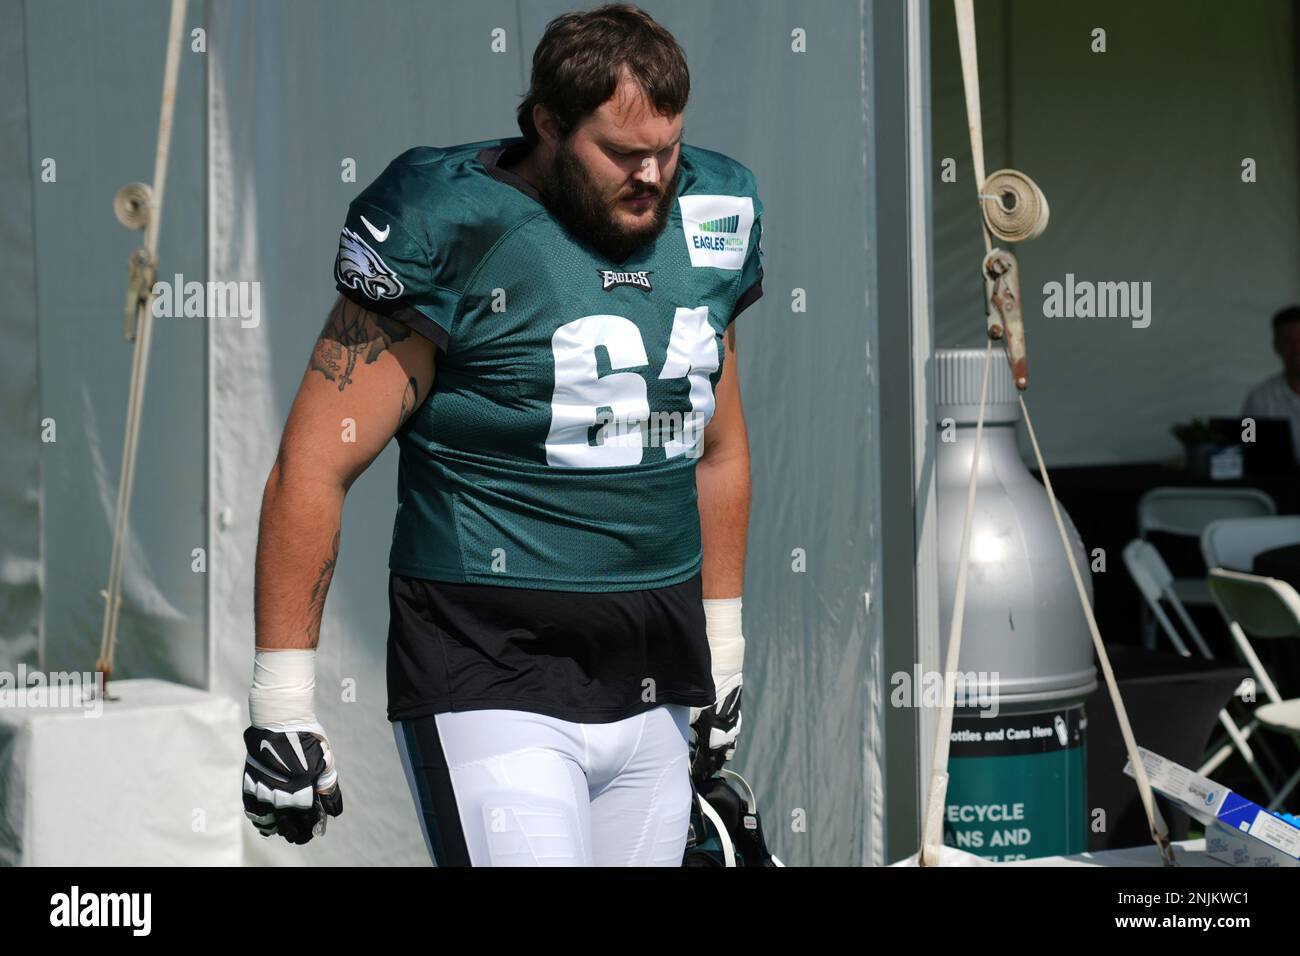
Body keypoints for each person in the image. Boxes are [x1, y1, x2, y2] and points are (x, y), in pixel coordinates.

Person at [240, 3, 764, 866]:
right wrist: (282, 701)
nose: (652, 176)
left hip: (656, 663)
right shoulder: (451, 223)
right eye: (622, 152)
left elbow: (718, 448)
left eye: (667, 149)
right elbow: (314, 464)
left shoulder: (715, 209)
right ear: (548, 125)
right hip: (490, 658)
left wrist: (726, 647)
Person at [1241, 305, 1300, 465]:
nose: (1297, 349)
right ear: (1276, 346)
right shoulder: (1259, 398)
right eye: (1289, 342)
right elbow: (1246, 445)